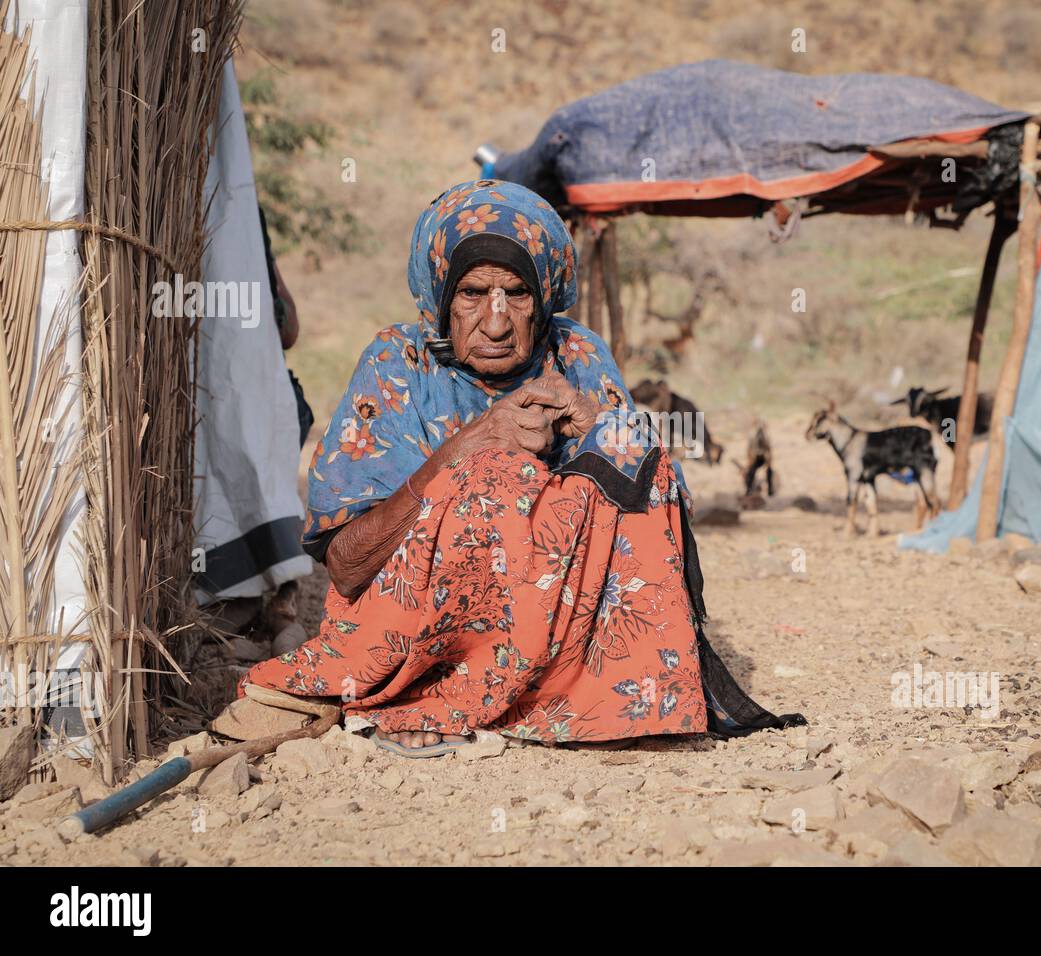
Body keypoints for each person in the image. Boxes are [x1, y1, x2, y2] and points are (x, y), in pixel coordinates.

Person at [242, 179, 801, 757]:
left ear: (545, 296)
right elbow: (346, 564)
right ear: (440, 296)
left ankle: (573, 694)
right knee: (494, 478)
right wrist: (467, 449)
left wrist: (593, 427)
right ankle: (435, 692)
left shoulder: (576, 355)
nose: (497, 320)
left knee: (628, 450)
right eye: (472, 293)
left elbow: (663, 508)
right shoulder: (397, 364)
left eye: (516, 292)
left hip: (552, 632)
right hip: (416, 630)